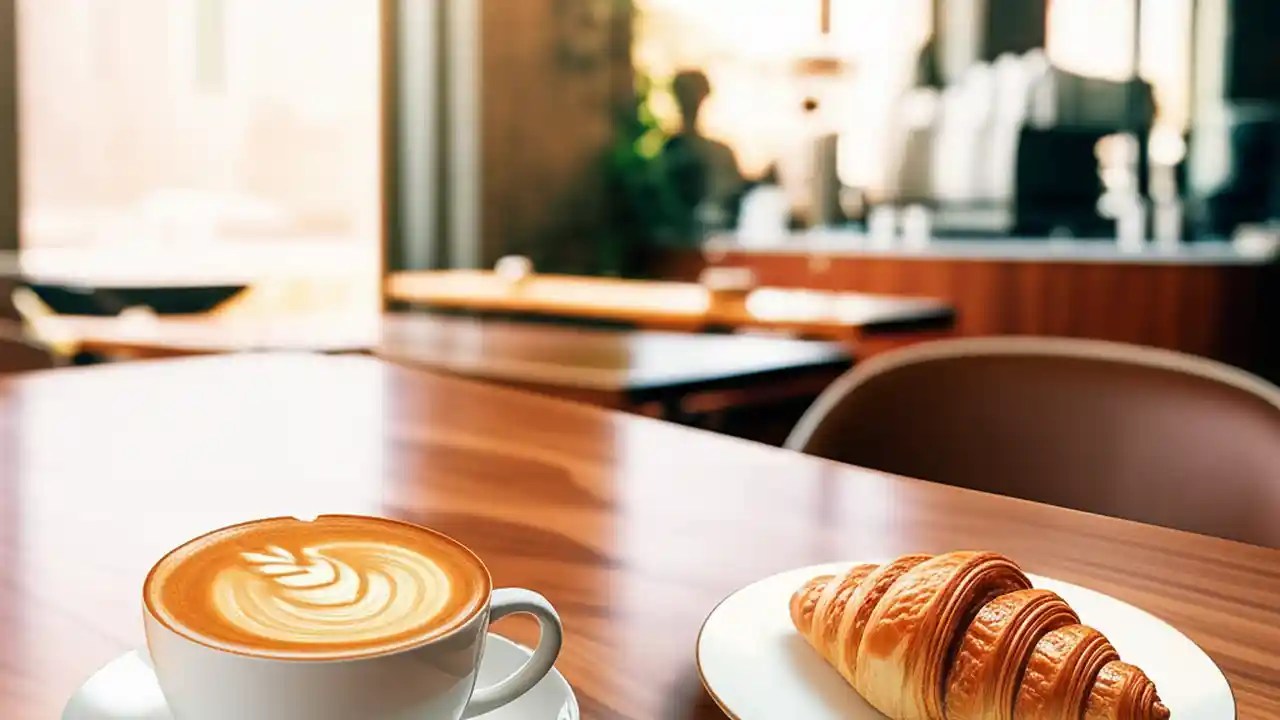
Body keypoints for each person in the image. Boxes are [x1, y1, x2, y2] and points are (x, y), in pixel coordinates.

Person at [661, 70, 745, 241]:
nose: (691, 102)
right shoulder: (670, 152)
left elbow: (730, 200)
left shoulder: (721, 153)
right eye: (686, 95)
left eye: (694, 95)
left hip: (716, 239)